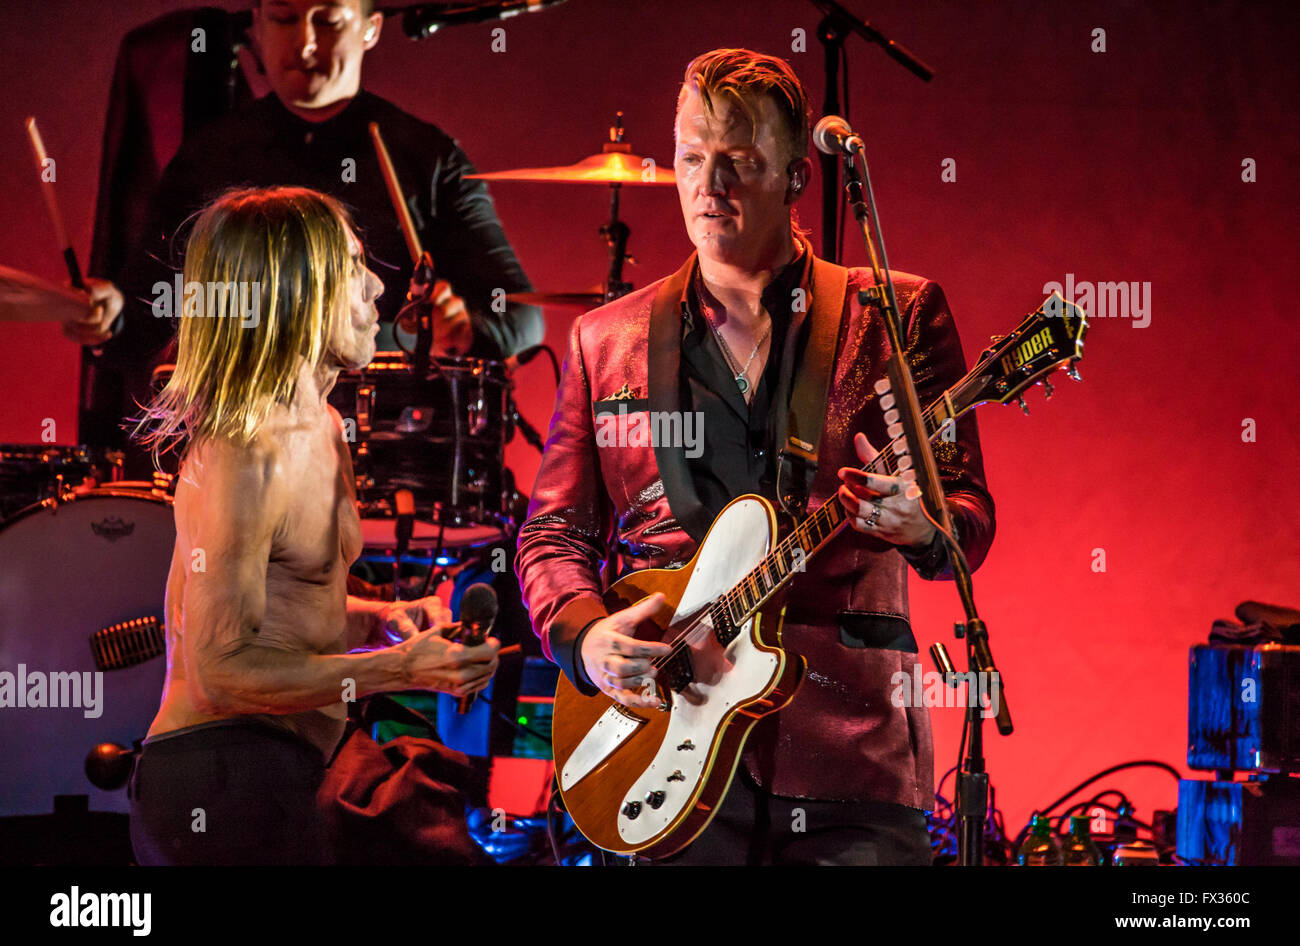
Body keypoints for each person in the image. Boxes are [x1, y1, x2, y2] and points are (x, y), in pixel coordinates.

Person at [514, 48, 996, 865]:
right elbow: (552, 532)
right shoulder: (608, 338)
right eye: (693, 158)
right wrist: (587, 639)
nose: (710, 185)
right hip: (660, 747)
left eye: (739, 162)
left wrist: (922, 526)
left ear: (798, 177)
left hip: (849, 759)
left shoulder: (896, 315)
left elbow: (968, 521)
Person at [126, 186, 500, 865]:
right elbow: (221, 670)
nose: (377, 289)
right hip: (223, 775)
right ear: (295, 292)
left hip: (302, 758)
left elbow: (289, 611)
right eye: (353, 266)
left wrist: (382, 621)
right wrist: (398, 669)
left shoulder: (326, 426)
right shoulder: (244, 452)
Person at [66, 0, 542, 464]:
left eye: (329, 20)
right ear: (258, 24)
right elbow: (150, 308)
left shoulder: (428, 158)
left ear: (370, 29)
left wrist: (463, 332)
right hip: (236, 444)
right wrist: (110, 317)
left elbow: (523, 317)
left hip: (389, 453)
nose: (305, 41)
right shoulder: (208, 159)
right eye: (283, 18)